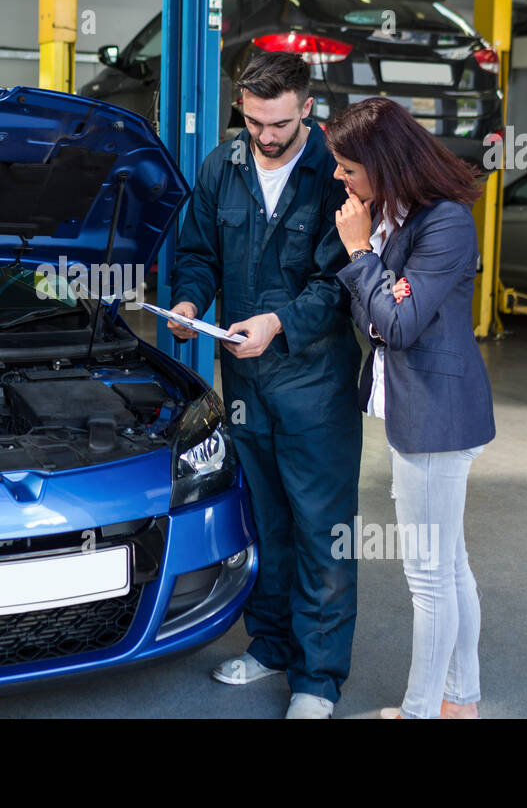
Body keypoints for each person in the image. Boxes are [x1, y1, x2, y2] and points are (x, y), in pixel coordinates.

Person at [167, 51, 362, 719]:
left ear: (306, 107)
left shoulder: (336, 173)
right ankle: (271, 646)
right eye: (253, 121)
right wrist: (190, 304)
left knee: (321, 531)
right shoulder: (224, 166)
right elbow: (196, 252)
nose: (265, 135)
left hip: (314, 385)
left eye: (278, 123)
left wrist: (279, 323)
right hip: (245, 377)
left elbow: (340, 283)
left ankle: (318, 679)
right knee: (266, 523)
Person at [329, 96, 495, 719]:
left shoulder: (442, 223)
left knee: (429, 576)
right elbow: (374, 317)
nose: (340, 180)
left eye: (348, 168)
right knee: (449, 567)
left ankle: (422, 711)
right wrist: (372, 259)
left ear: (383, 161)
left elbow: (395, 324)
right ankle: (461, 702)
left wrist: (359, 254)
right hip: (419, 411)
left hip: (438, 416)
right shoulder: (397, 218)